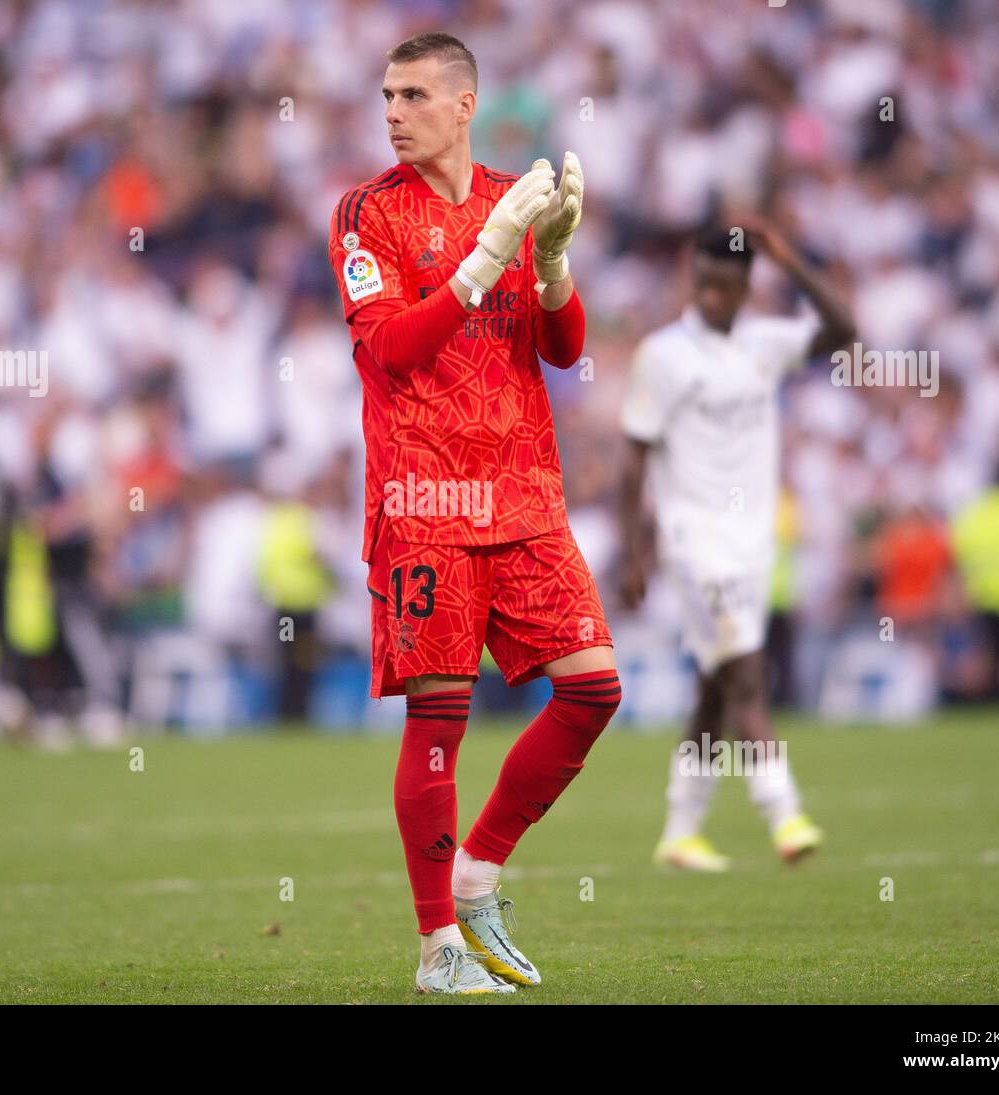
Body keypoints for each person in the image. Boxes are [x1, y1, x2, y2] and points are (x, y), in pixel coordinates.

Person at [327, 32, 620, 994]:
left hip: (526, 494)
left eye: (413, 95)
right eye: (386, 96)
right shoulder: (366, 214)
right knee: (440, 723)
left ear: (465, 105)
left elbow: (566, 350)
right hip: (424, 503)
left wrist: (552, 265)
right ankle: (437, 947)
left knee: (594, 689)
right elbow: (389, 352)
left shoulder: (515, 199)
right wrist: (479, 263)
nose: (393, 112)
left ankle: (479, 868)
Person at [617, 221, 855, 872]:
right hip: (694, 541)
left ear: (748, 284)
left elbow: (845, 331)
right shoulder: (662, 355)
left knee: (715, 686)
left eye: (725, 283)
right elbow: (632, 457)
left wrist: (791, 256)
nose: (712, 293)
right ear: (692, 276)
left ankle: (680, 828)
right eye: (703, 281)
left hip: (754, 545)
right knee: (747, 671)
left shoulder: (766, 344)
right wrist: (632, 552)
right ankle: (785, 813)